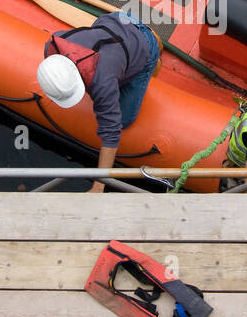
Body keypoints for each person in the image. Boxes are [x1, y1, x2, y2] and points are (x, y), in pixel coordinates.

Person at [36, 10, 161, 192]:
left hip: (143, 43)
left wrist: (99, 185)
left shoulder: (102, 81)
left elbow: (112, 133)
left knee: (124, 119)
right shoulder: (53, 44)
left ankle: (155, 45)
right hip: (113, 19)